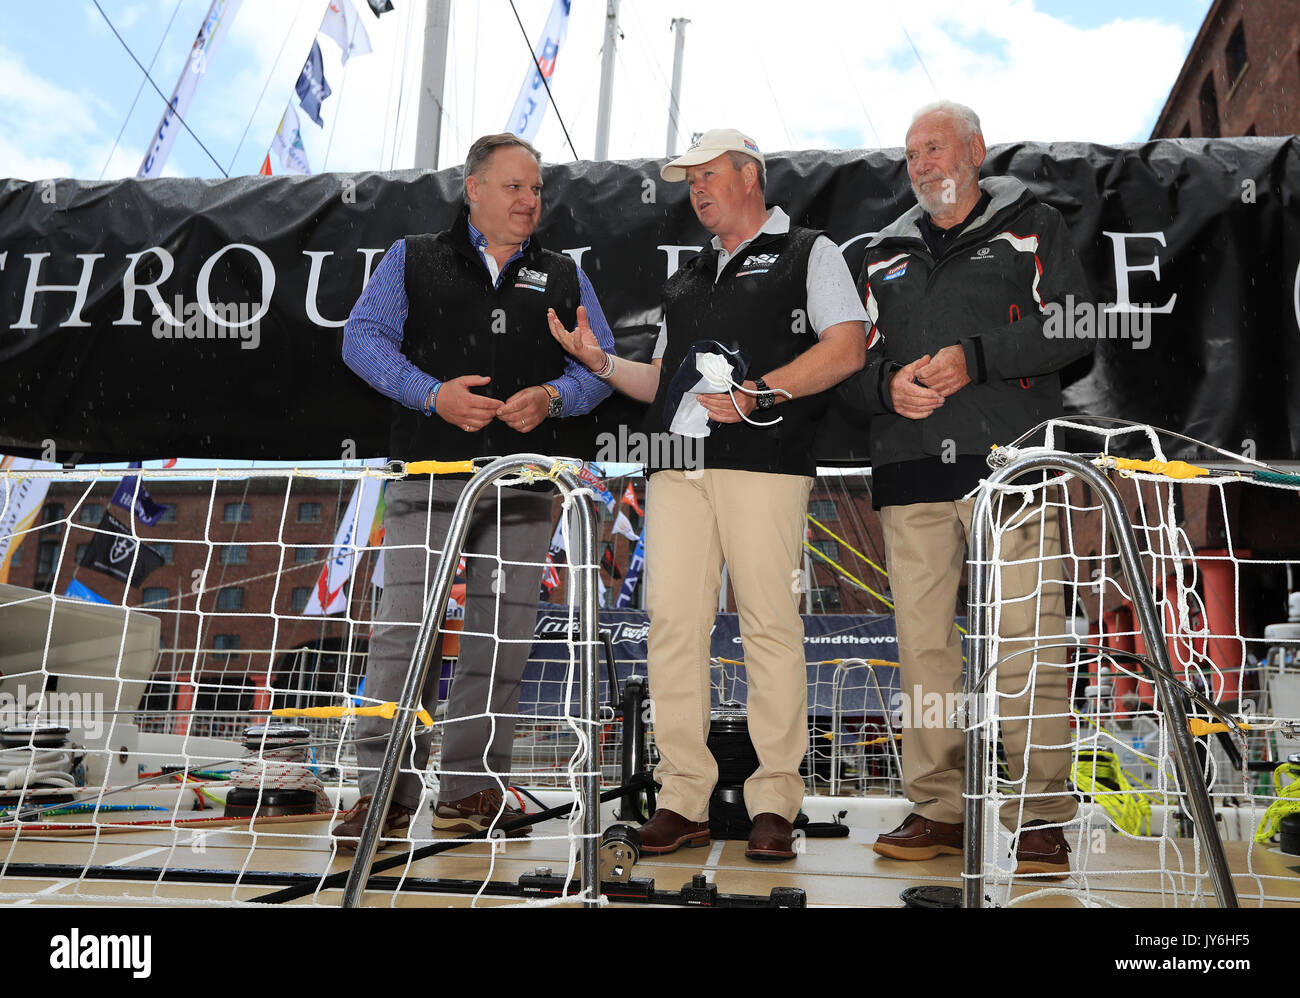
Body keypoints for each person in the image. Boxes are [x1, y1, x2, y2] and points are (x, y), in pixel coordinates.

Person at [549, 128, 866, 860]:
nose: (696, 188)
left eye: (709, 173)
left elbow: (848, 345)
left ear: (751, 176)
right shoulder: (687, 278)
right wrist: (601, 362)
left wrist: (761, 394)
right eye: (688, 178)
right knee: (673, 628)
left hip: (767, 465)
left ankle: (775, 803)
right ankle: (683, 798)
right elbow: (661, 384)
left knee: (770, 627)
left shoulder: (811, 252)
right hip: (674, 468)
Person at [333, 133, 616, 849]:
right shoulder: (413, 256)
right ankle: (382, 793)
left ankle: (469, 789)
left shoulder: (563, 275)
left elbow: (598, 369)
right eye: (516, 187)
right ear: (475, 189)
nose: (530, 202)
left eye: (538, 190)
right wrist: (430, 396)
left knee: (503, 638)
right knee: (403, 635)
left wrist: (553, 397)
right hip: (428, 477)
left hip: (524, 485)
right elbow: (361, 338)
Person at [839, 101, 1093, 877]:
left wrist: (977, 358)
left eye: (936, 148)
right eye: (911, 153)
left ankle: (1043, 815)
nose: (921, 164)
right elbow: (843, 366)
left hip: (1011, 469)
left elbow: (1078, 324)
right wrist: (888, 389)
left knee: (1030, 646)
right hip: (910, 473)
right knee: (925, 654)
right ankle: (939, 808)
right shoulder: (879, 251)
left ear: (975, 152)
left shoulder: (1032, 225)